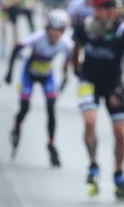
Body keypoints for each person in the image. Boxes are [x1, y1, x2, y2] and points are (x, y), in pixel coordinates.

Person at [71, 0, 124, 199]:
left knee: (120, 132)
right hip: (89, 81)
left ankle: (118, 175)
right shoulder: (86, 26)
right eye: (100, 10)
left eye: (110, 10)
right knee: (90, 122)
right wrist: (77, 68)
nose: (104, 14)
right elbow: (76, 48)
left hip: (113, 85)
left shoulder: (122, 32)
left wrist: (123, 88)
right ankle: (93, 166)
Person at [5, 9, 73, 166]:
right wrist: (10, 72)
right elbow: (17, 48)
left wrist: (65, 77)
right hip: (28, 74)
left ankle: (51, 142)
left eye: (59, 31)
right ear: (47, 28)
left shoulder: (66, 43)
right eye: (52, 30)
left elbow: (69, 60)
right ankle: (17, 126)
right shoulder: (38, 38)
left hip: (47, 76)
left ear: (63, 31)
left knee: (51, 107)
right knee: (25, 108)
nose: (55, 34)